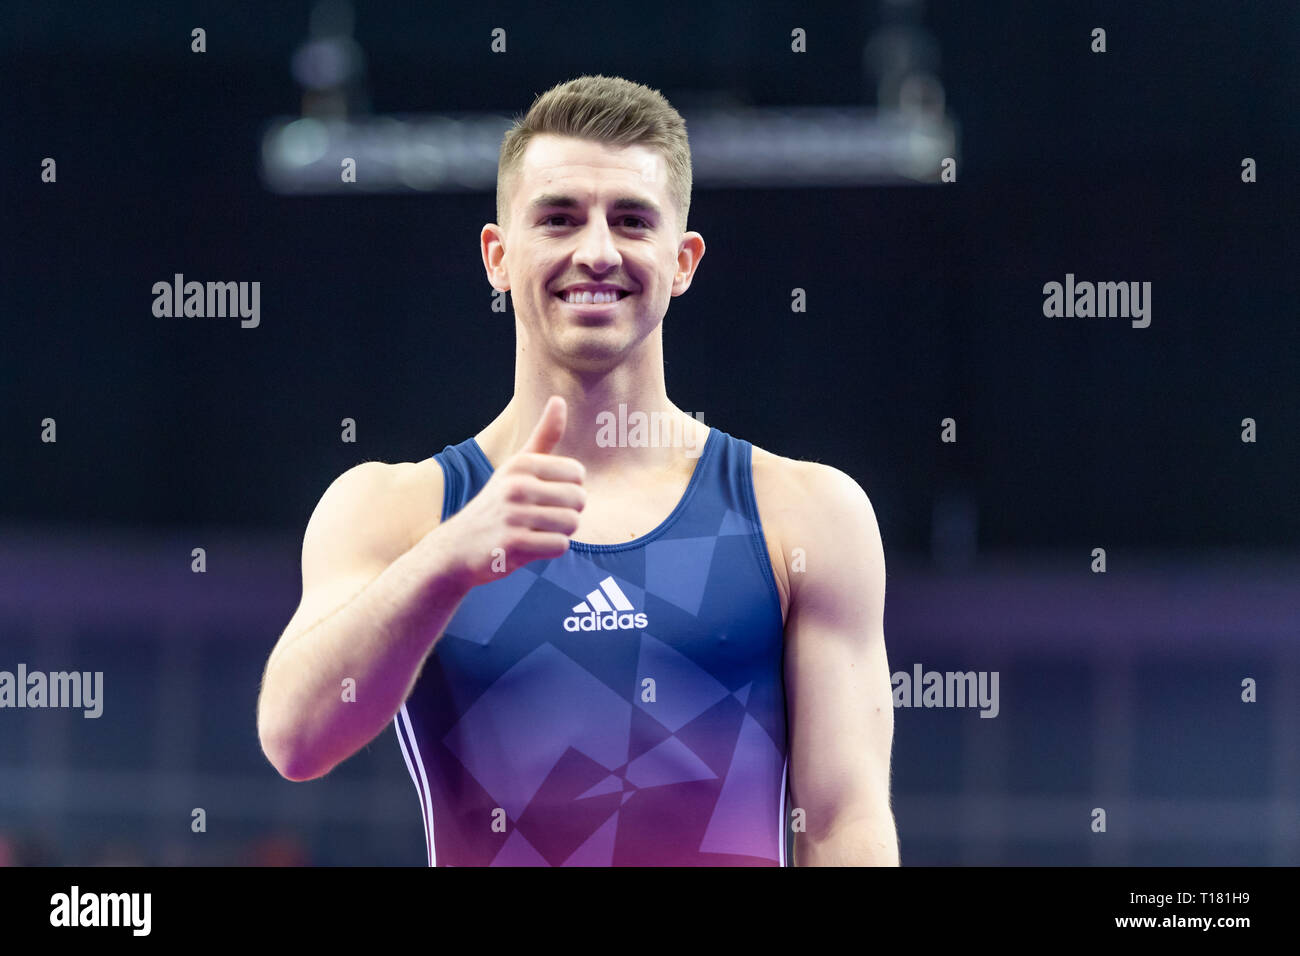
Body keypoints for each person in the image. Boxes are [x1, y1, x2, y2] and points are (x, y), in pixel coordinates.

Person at [257, 74, 898, 866]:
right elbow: (295, 738)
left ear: (683, 259)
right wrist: (450, 558)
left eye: (631, 220)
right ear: (498, 255)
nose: (596, 252)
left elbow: (846, 822)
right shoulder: (393, 511)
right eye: (559, 219)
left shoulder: (807, 513)